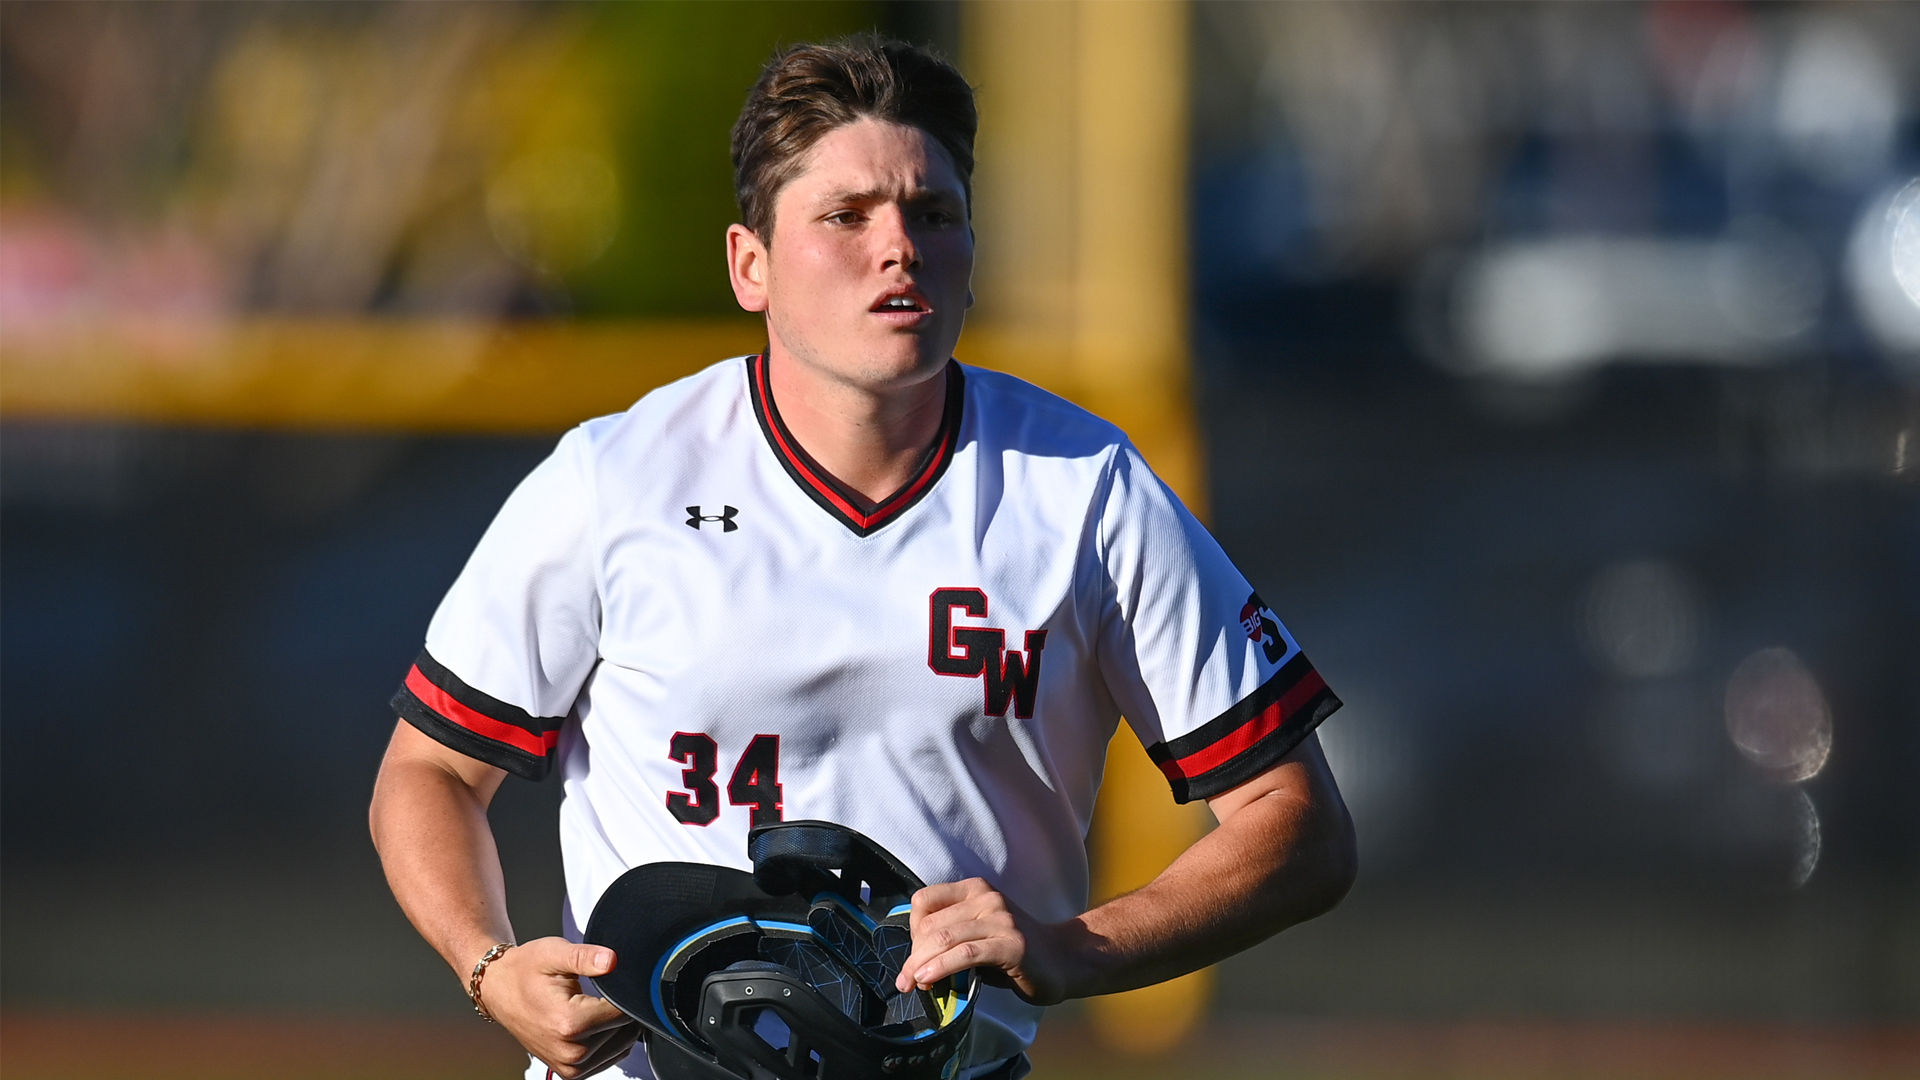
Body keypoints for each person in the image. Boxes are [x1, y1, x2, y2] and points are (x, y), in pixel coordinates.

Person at [369, 37, 1356, 1080]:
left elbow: (1297, 822)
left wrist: (1076, 948)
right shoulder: (614, 480)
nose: (899, 248)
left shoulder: (1083, 489)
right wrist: (488, 966)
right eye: (846, 216)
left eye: (932, 214)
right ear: (750, 265)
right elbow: (428, 771)